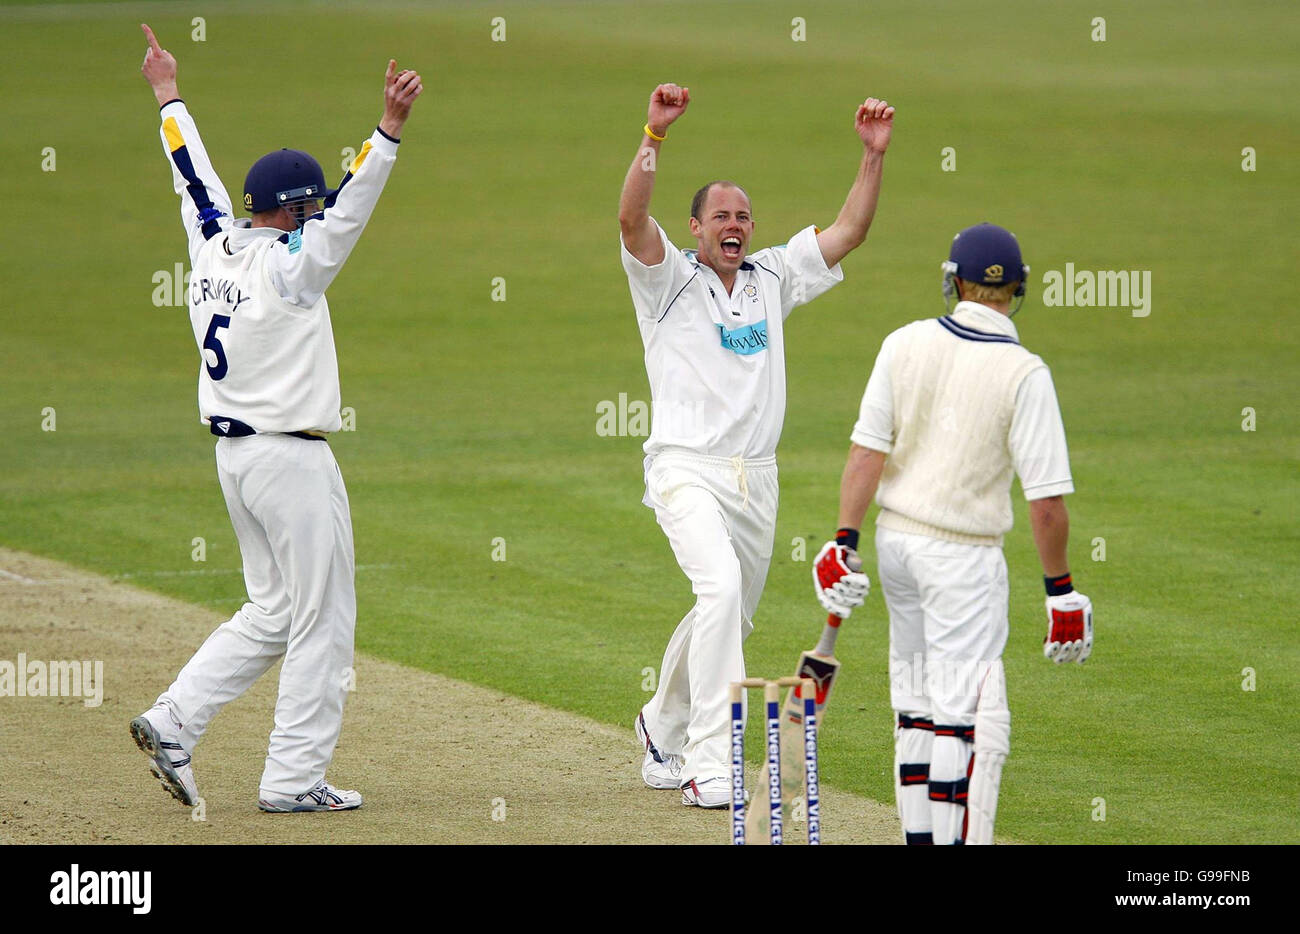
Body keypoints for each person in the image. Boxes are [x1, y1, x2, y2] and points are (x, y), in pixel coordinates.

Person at [130, 23, 421, 813]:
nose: (318, 218)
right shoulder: (294, 271)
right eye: (311, 210)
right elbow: (348, 215)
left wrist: (168, 91)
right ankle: (293, 780)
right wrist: (387, 132)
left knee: (275, 608)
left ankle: (174, 719)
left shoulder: (213, 242)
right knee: (321, 621)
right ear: (295, 216)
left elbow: (191, 171)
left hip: (235, 461)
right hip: (291, 460)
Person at [619, 83, 895, 807]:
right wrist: (654, 135)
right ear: (696, 227)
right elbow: (630, 217)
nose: (734, 225)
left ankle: (660, 724)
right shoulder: (667, 280)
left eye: (743, 215)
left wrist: (872, 157)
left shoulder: (771, 274)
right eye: (721, 216)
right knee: (718, 590)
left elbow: (848, 233)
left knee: (728, 610)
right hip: (685, 468)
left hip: (755, 479)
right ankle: (711, 763)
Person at [812, 223, 1094, 844]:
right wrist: (1061, 590)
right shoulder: (1025, 372)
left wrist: (843, 542)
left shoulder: (904, 343)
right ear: (1016, 288)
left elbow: (866, 453)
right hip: (964, 559)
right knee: (971, 722)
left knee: (917, 708)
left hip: (895, 548)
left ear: (954, 282)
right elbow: (1045, 503)